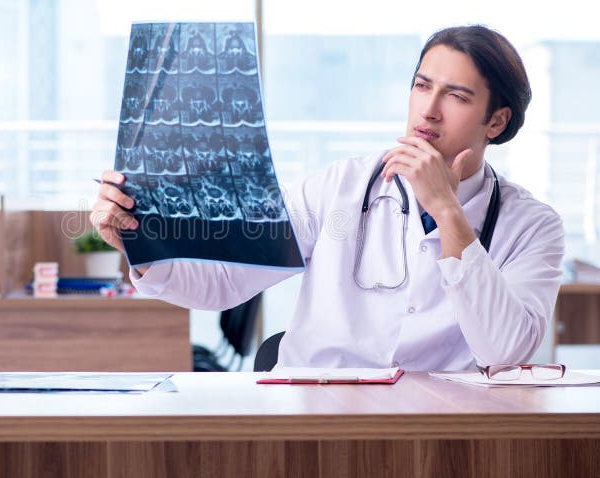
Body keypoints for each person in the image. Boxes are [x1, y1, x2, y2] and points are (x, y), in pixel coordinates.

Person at [91, 25, 565, 371]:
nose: (428, 109)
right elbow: (222, 282)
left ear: (496, 122)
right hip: (314, 418)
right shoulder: (339, 187)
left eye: (456, 96)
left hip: (437, 431)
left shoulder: (533, 226)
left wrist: (447, 211)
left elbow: (505, 350)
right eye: (422, 85)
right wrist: (143, 246)